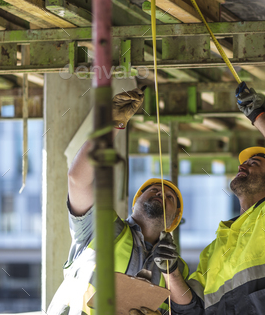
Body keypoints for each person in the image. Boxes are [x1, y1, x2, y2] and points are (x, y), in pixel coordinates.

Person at [158, 84, 265, 315]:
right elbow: (191, 309)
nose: (242, 165)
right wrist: (170, 270)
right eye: (244, 163)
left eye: (254, 163)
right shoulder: (215, 247)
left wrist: (258, 116)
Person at [47, 87, 190, 315]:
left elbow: (188, 310)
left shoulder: (176, 269)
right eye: (152, 190)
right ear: (135, 204)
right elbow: (78, 179)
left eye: (170, 197)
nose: (161, 193)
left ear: (173, 221)